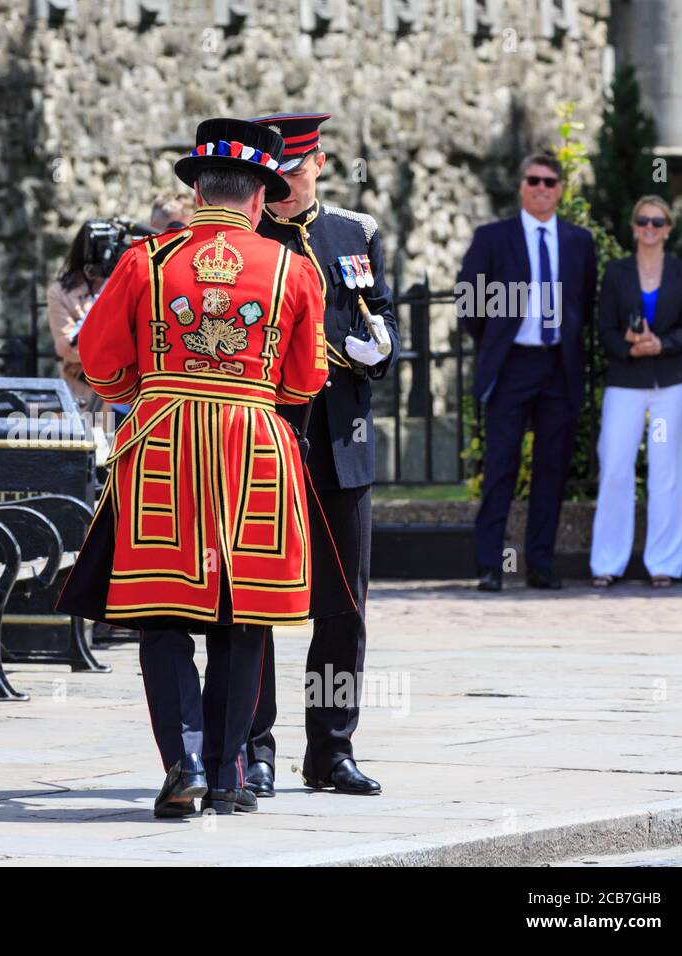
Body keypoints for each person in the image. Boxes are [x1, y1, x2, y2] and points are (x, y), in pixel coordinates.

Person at [57, 117, 328, 817]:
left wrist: (149, 393)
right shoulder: (294, 270)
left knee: (160, 613)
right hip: (252, 448)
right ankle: (230, 772)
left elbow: (97, 361)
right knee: (247, 617)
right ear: (261, 194)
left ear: (199, 186)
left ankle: (184, 768)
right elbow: (304, 381)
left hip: (163, 445)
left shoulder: (145, 260)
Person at [245, 112, 401, 798]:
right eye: (273, 175)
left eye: (296, 171)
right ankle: (252, 745)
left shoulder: (354, 233)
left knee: (343, 606)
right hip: (268, 439)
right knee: (251, 599)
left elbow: (380, 311)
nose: (283, 185)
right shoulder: (244, 236)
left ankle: (330, 748)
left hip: (342, 443)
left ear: (322, 165)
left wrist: (382, 346)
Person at [458, 153, 598, 592]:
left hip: (559, 364)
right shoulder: (493, 237)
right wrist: (497, 343)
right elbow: (469, 302)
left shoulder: (579, 241)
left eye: (550, 182)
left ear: (561, 189)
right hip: (512, 364)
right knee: (500, 466)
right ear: (522, 186)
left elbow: (585, 305)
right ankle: (490, 566)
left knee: (551, 470)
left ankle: (540, 565)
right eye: (534, 180)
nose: (542, 188)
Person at [591, 196, 682, 588]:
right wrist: (628, 345)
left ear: (669, 228)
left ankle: (664, 564)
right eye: (643, 221)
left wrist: (663, 344)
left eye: (658, 222)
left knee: (666, 471)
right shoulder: (617, 273)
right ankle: (607, 561)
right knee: (616, 468)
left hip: (671, 384)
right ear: (634, 226)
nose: (650, 228)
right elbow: (603, 329)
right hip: (627, 382)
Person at [46, 220, 107, 409]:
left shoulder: (124, 284)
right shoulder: (60, 292)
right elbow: (66, 347)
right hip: (80, 392)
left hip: (123, 397)